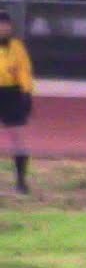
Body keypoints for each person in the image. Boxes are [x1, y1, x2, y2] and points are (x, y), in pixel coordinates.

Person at [0, 13, 33, 195]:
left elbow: (24, 70)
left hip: (11, 94)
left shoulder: (17, 47)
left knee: (17, 137)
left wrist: (26, 92)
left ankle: (21, 181)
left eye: (5, 26)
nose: (3, 29)